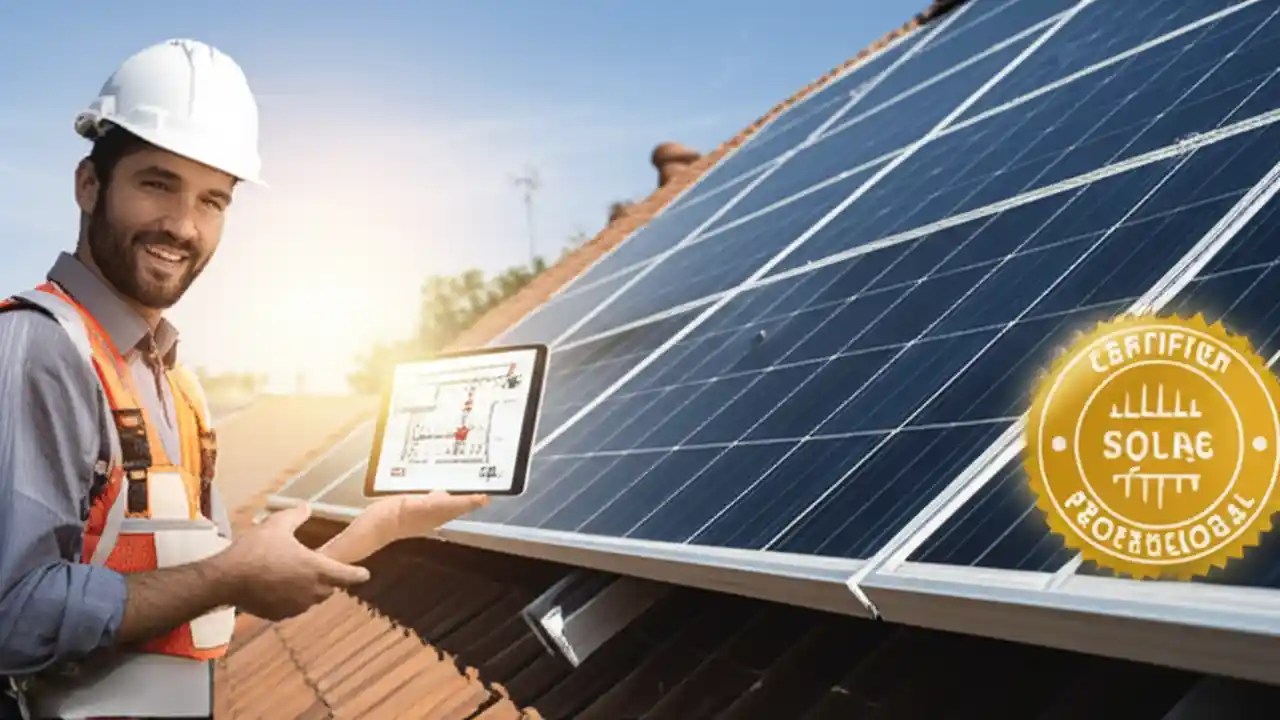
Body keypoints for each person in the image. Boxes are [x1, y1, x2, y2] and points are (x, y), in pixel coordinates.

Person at [0, 39, 485, 719]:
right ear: (89, 184)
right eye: (156, 183)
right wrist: (227, 574)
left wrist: (381, 529)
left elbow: (205, 590)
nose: (183, 226)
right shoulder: (41, 349)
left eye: (213, 201)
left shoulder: (174, 385)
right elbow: (10, 617)